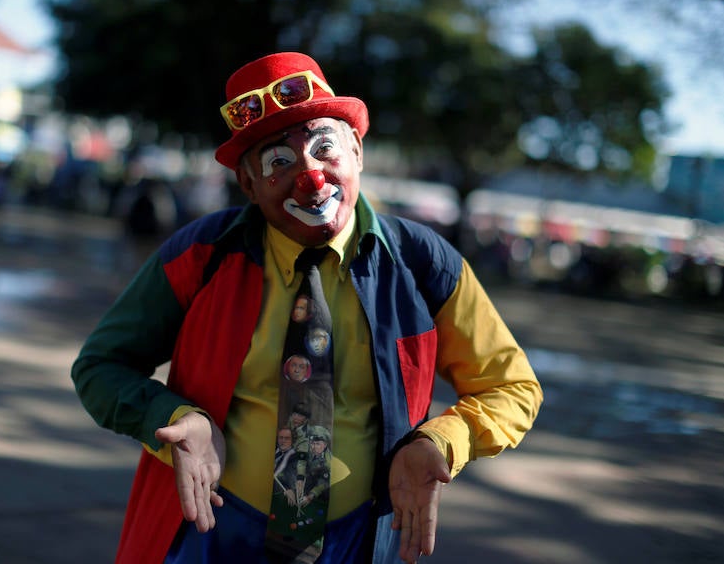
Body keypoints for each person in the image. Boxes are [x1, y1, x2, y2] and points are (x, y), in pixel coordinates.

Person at [71, 52, 542, 564]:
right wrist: (173, 417)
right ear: (248, 185)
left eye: (325, 149)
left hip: (356, 542)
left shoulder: (423, 263)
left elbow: (511, 386)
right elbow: (101, 366)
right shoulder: (201, 254)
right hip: (212, 532)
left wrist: (443, 441)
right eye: (279, 162)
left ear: (357, 150)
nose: (312, 178)